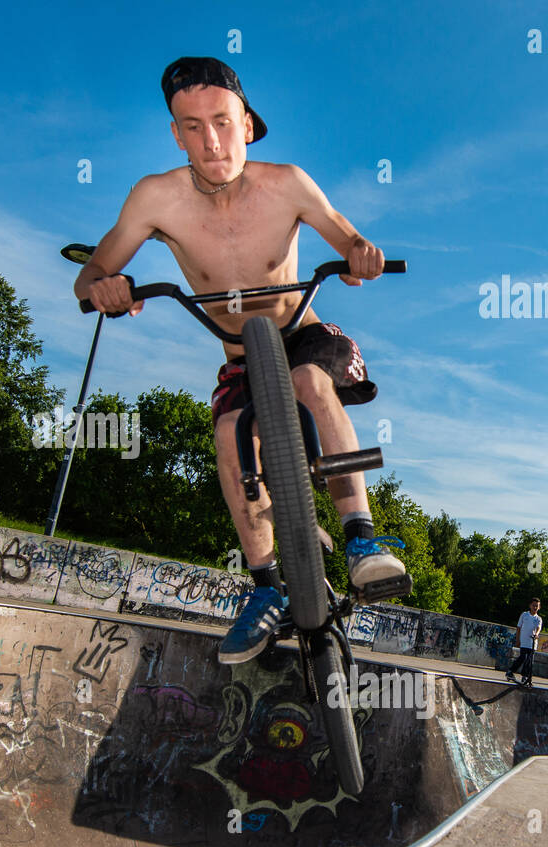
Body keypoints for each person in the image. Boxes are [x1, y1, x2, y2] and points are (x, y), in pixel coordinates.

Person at [74, 57, 405, 665]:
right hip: (240, 360)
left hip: (303, 335)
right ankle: (265, 586)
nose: (211, 141)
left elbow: (347, 238)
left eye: (222, 122)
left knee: (308, 379)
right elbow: (91, 273)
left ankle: (361, 538)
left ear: (247, 125)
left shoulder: (289, 185)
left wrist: (361, 255)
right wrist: (105, 288)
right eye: (192, 126)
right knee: (229, 430)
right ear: (176, 133)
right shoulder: (155, 198)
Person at [506, 597, 542, 687]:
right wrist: (518, 640)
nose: (535, 608)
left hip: (532, 643)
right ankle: (510, 671)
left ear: (539, 607)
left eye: (536, 606)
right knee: (523, 657)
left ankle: (525, 676)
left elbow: (538, 628)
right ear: (530, 605)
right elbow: (518, 627)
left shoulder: (538, 619)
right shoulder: (524, 615)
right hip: (524, 642)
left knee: (529, 661)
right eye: (533, 605)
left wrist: (536, 634)